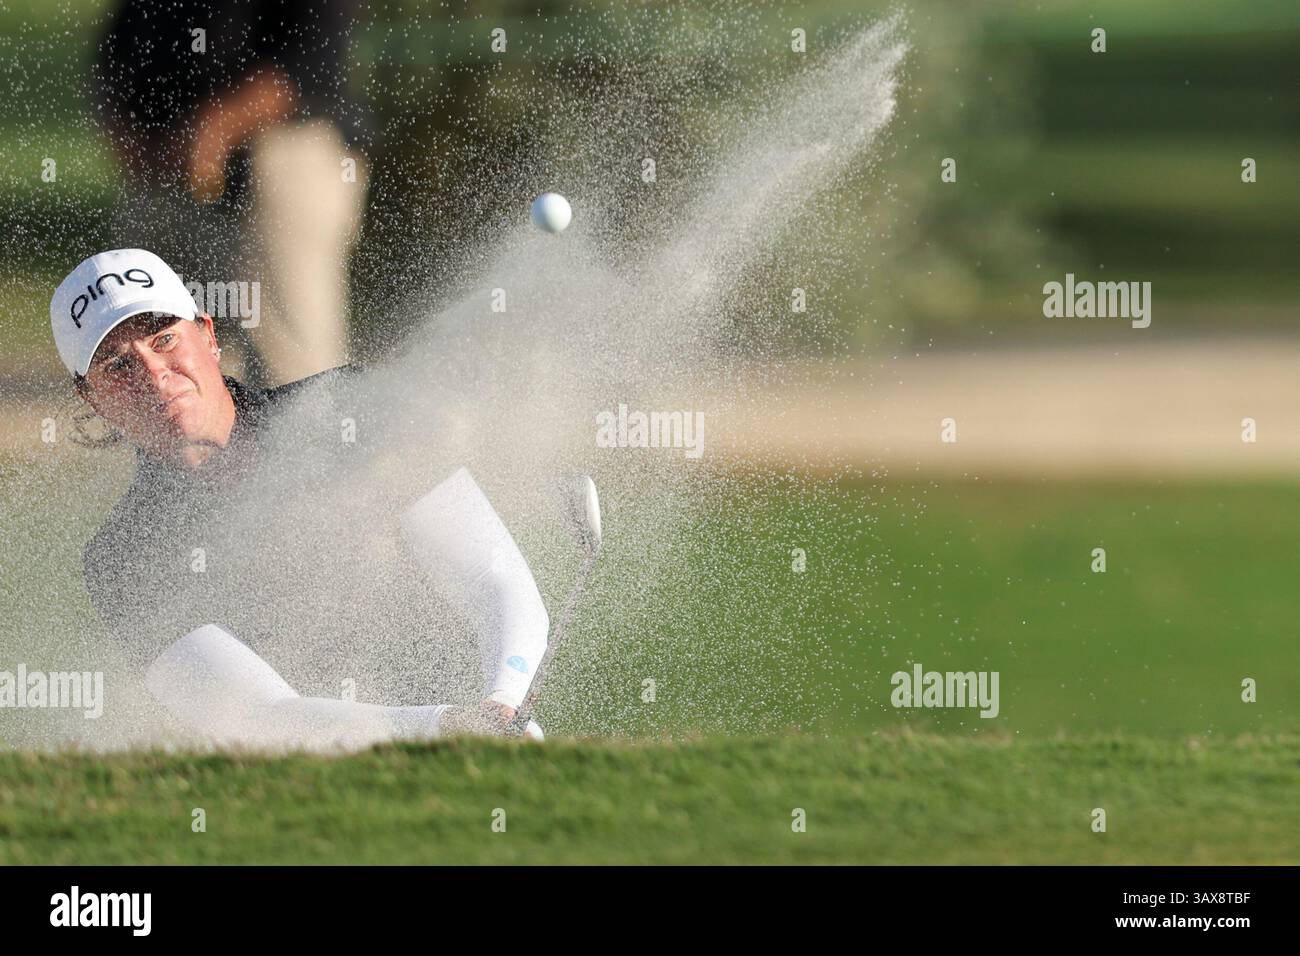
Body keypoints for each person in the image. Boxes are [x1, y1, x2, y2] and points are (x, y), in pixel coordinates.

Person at [52, 248, 548, 748]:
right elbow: (262, 720)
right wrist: (448, 727)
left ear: (208, 335)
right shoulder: (124, 561)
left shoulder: (343, 408)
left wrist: (500, 702)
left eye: (165, 339)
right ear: (92, 399)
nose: (155, 374)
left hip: (476, 726)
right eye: (117, 365)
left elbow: (493, 579)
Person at [92, 0, 370, 387]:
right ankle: (177, 440)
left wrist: (218, 126)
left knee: (292, 367)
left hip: (287, 146)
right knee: (144, 340)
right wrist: (130, 132)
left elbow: (312, 53)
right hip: (170, 162)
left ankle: (310, 439)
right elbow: (117, 49)